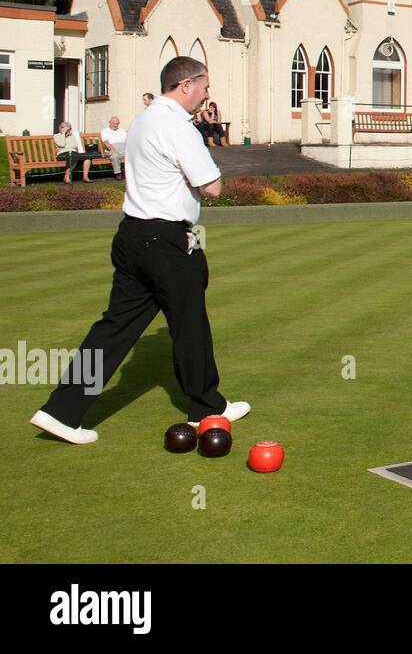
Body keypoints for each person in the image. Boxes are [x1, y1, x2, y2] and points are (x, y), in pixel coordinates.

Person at [30, 56, 249, 445]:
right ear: (186, 86)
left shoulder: (144, 119)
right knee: (190, 323)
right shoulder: (180, 127)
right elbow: (212, 186)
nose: (207, 94)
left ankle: (60, 411)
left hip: (131, 236)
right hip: (166, 240)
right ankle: (206, 408)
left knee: (114, 327)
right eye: (205, 86)